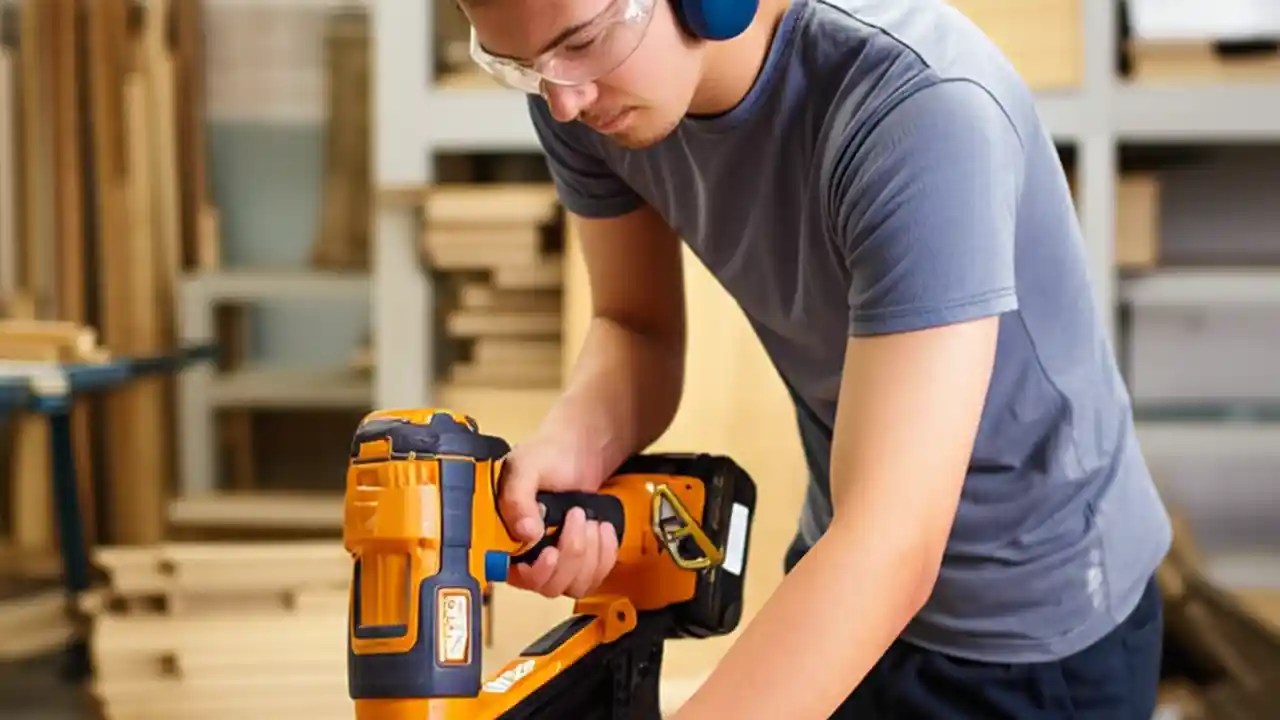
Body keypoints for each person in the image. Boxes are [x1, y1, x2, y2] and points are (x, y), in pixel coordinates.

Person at [458, 0, 1173, 717]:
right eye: (518, 66)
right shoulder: (581, 94)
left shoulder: (919, 113)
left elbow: (892, 547)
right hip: (842, 571)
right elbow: (634, 326)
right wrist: (573, 447)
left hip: (1031, 625)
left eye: (583, 43)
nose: (562, 100)